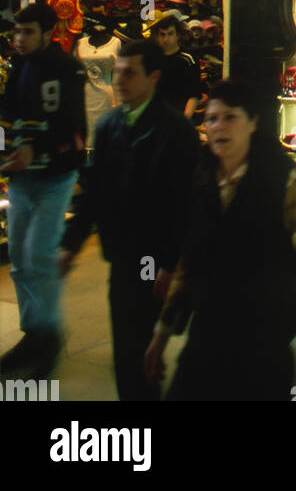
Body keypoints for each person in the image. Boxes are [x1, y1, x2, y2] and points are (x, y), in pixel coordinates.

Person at [144, 78, 296, 400]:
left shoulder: (283, 178)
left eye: (230, 117)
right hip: (210, 330)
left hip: (269, 333)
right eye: (211, 118)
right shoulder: (201, 179)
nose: (218, 126)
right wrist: (162, 333)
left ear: (253, 122)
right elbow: (189, 260)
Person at [60, 39, 198, 400]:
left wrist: (169, 262)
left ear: (153, 76)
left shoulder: (174, 130)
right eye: (117, 73)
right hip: (121, 252)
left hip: (152, 256)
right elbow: (92, 193)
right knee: (126, 336)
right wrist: (70, 245)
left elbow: (184, 203)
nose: (119, 81)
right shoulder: (108, 128)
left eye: (129, 74)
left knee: (139, 332)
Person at [0, 5, 86, 378]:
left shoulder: (66, 67)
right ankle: (33, 333)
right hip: (21, 179)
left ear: (49, 31)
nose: (19, 39)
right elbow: (4, 115)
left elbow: (73, 125)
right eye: (17, 32)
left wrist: (36, 147)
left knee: (39, 257)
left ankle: (48, 337)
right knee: (20, 260)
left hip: (54, 178)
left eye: (28, 32)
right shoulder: (18, 66)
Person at [152, 13, 203, 118]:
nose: (166, 39)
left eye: (170, 34)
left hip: (179, 117)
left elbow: (194, 94)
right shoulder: (152, 58)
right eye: (162, 34)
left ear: (177, 35)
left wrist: (185, 121)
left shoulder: (188, 60)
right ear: (157, 36)